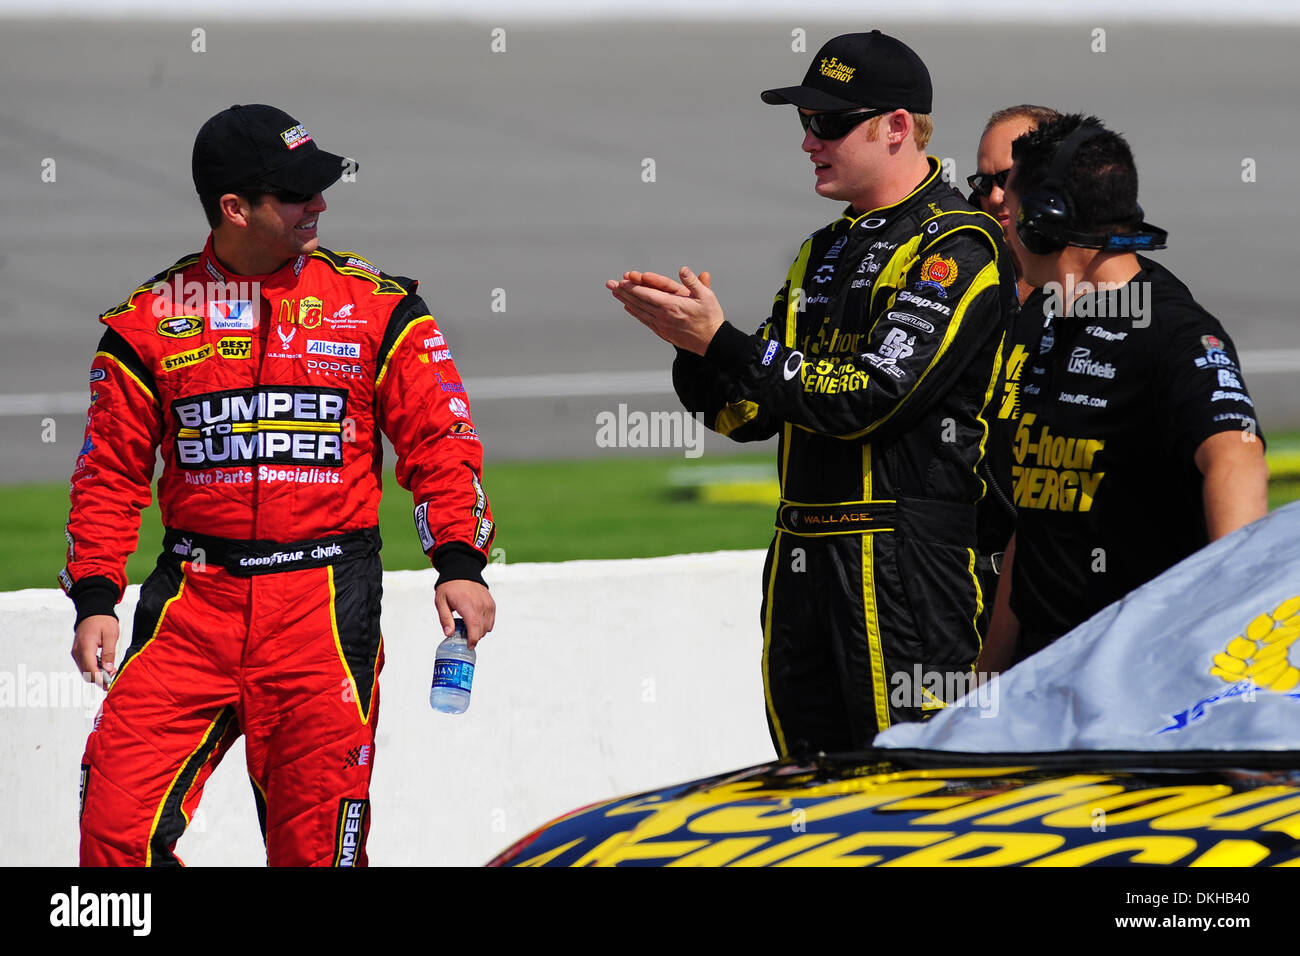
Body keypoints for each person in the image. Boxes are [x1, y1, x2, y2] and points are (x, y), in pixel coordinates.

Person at [61, 104, 497, 866]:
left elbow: (441, 440)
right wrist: (97, 596)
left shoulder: (379, 307)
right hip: (193, 603)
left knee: (317, 853)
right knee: (113, 831)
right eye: (297, 192)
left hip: (325, 608)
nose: (319, 203)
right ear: (235, 208)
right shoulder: (147, 323)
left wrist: (458, 562)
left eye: (320, 186)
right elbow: (109, 473)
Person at [607, 32, 1016, 754]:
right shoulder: (822, 251)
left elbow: (870, 396)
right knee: (806, 783)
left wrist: (726, 343)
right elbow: (750, 413)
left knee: (913, 795)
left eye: (828, 122)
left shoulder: (957, 247)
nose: (807, 141)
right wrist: (695, 349)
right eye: (803, 121)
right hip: (802, 555)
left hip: (904, 561)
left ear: (895, 127)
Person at [976, 114, 1268, 670]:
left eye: (1013, 209)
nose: (1002, 223)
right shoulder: (1055, 323)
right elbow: (1038, 517)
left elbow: (1238, 458)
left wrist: (1229, 642)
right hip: (1041, 681)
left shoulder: (1170, 331)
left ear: (1044, 223)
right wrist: (987, 681)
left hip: (1128, 683)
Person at [968, 105, 1061, 637]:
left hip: (1069, 592)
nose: (995, 197)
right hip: (967, 587)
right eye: (984, 182)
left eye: (1010, 179)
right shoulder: (970, 280)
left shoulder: (1121, 296)